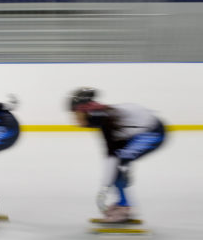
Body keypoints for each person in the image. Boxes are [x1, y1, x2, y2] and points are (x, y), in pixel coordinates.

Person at [67, 88, 166, 223]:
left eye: (76, 114)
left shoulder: (106, 120)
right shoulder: (101, 116)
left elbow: (111, 157)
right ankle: (122, 203)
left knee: (118, 165)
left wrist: (104, 189)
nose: (74, 119)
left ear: (86, 111)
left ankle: (124, 207)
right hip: (139, 130)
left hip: (153, 133)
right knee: (118, 166)